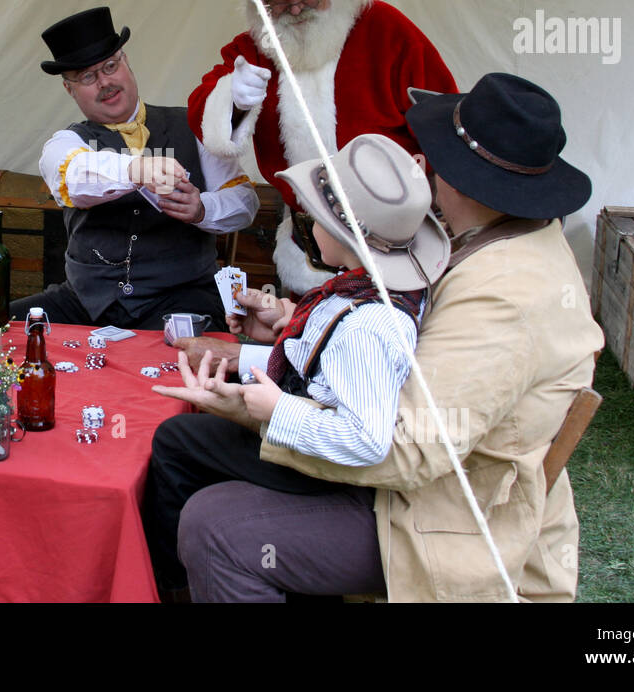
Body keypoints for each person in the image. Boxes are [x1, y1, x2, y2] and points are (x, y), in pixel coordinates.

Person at [159, 72, 603, 602]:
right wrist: (284, 337)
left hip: (438, 514)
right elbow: (393, 336)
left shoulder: (505, 293)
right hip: (413, 479)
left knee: (218, 527)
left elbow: (407, 450)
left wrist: (264, 410)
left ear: (458, 178)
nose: (424, 166)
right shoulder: (492, 238)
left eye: (432, 155)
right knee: (184, 444)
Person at [143, 133, 450, 594]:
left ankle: (182, 581)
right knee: (179, 437)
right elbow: (323, 356)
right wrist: (269, 343)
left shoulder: (368, 324)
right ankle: (182, 581)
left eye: (313, 217)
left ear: (342, 232)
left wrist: (273, 408)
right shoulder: (359, 286)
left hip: (328, 472)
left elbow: (367, 440)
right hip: (311, 437)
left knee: (179, 446)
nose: (306, 224)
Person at [187, 0, 458, 294]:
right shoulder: (254, 49)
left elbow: (445, 117)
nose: (296, 8)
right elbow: (202, 110)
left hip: (395, 248)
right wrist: (232, 96)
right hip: (306, 252)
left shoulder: (385, 30)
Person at [10, 7, 259, 330]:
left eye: (110, 66)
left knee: (192, 358)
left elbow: (244, 201)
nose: (105, 82)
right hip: (87, 302)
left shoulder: (193, 125)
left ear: (126, 62)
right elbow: (76, 178)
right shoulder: (66, 144)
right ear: (69, 89)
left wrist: (202, 209)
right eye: (87, 76)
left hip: (180, 297)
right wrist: (137, 170)